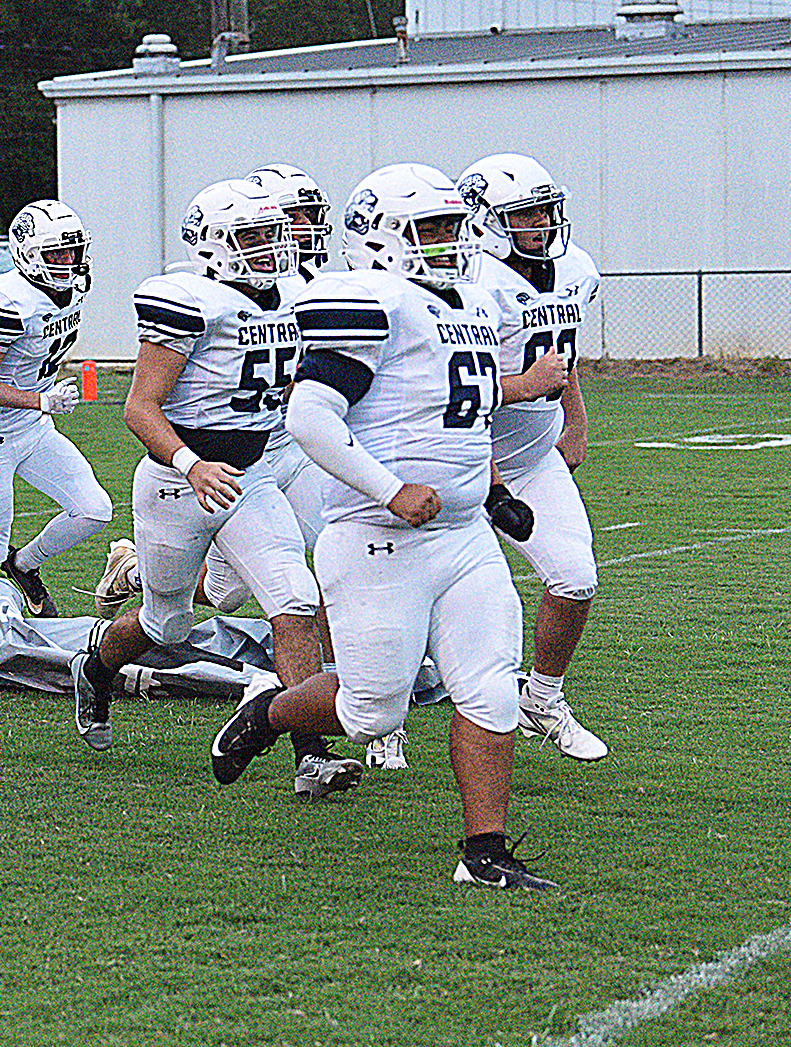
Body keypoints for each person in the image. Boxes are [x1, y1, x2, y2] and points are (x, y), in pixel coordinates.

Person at [209, 163, 567, 889]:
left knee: (491, 690)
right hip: (378, 537)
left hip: (463, 536)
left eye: (452, 226)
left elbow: (459, 420)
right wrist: (391, 489)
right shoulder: (369, 297)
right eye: (428, 228)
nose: (447, 241)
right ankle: (270, 714)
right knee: (372, 712)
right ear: (379, 236)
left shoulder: (471, 301)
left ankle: (485, 852)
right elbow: (310, 416)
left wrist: (492, 490)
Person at [71, 180, 359, 797]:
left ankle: (311, 754)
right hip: (177, 483)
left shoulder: (296, 294)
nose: (273, 246)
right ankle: (94, 668)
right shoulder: (189, 300)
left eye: (275, 232)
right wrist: (191, 464)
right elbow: (140, 408)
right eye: (253, 236)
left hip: (251, 478)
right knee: (166, 624)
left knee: (296, 600)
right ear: (209, 243)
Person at [458, 152, 606, 760]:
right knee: (438, 598)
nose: (543, 225)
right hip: (456, 460)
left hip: (533, 455)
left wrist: (575, 417)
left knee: (576, 577)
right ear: (484, 221)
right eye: (527, 214)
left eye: (547, 211)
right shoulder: (471, 285)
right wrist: (525, 386)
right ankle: (385, 725)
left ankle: (541, 699)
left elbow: (562, 357)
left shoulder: (575, 269)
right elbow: (452, 389)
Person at [0, 200, 112, 618]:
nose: (68, 261)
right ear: (26, 254)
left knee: (94, 510)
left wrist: (40, 402)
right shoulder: (9, 300)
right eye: (56, 253)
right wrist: (41, 399)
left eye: (73, 251)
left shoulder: (75, 287)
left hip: (35, 429)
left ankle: (23, 564)